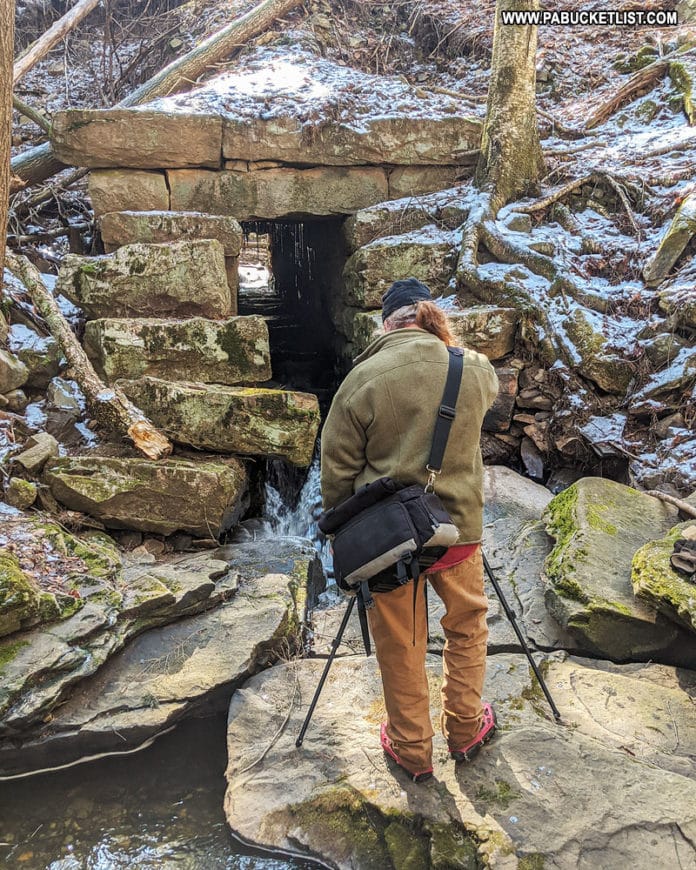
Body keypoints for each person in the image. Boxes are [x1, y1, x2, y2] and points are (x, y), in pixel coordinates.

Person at [320, 277, 499, 783]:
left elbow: (336, 474)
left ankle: (412, 750)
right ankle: (465, 731)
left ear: (387, 324)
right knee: (467, 626)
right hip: (459, 532)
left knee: (401, 642)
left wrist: (344, 533)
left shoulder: (361, 380)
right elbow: (485, 405)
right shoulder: (475, 368)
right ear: (428, 317)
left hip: (390, 539)